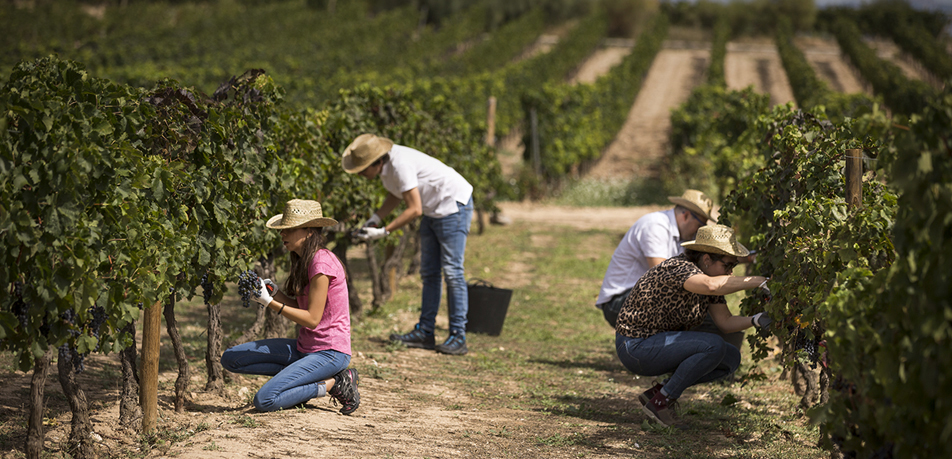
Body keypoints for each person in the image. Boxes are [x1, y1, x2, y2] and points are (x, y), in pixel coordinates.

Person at [614, 224, 772, 426]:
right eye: (728, 266)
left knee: (730, 358)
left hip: (658, 345)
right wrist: (759, 281)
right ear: (706, 259)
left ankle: (657, 394)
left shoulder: (711, 281)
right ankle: (661, 403)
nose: (731, 273)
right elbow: (711, 286)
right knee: (713, 345)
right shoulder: (679, 268)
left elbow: (725, 322)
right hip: (635, 347)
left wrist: (756, 319)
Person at [221, 199, 360, 414]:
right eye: (282, 229)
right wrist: (275, 293)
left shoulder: (321, 263)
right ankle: (298, 378)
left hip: (330, 353)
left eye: (289, 229)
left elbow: (312, 319)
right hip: (305, 348)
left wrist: (270, 304)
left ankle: (334, 383)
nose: (282, 234)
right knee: (231, 358)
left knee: (265, 400)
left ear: (309, 231)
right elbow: (303, 306)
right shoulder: (303, 260)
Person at [342, 133, 474, 356]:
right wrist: (374, 219)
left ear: (376, 162)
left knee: (452, 272)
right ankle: (425, 332)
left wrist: (384, 231)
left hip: (453, 206)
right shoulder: (387, 167)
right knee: (429, 273)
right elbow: (397, 195)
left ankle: (458, 336)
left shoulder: (400, 163)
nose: (362, 174)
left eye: (363, 169)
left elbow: (414, 209)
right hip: (433, 209)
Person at [596, 189, 714, 328]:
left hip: (642, 297)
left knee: (702, 314)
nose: (700, 231)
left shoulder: (683, 237)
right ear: (686, 216)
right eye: (701, 225)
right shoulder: (655, 226)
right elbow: (663, 276)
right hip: (619, 301)